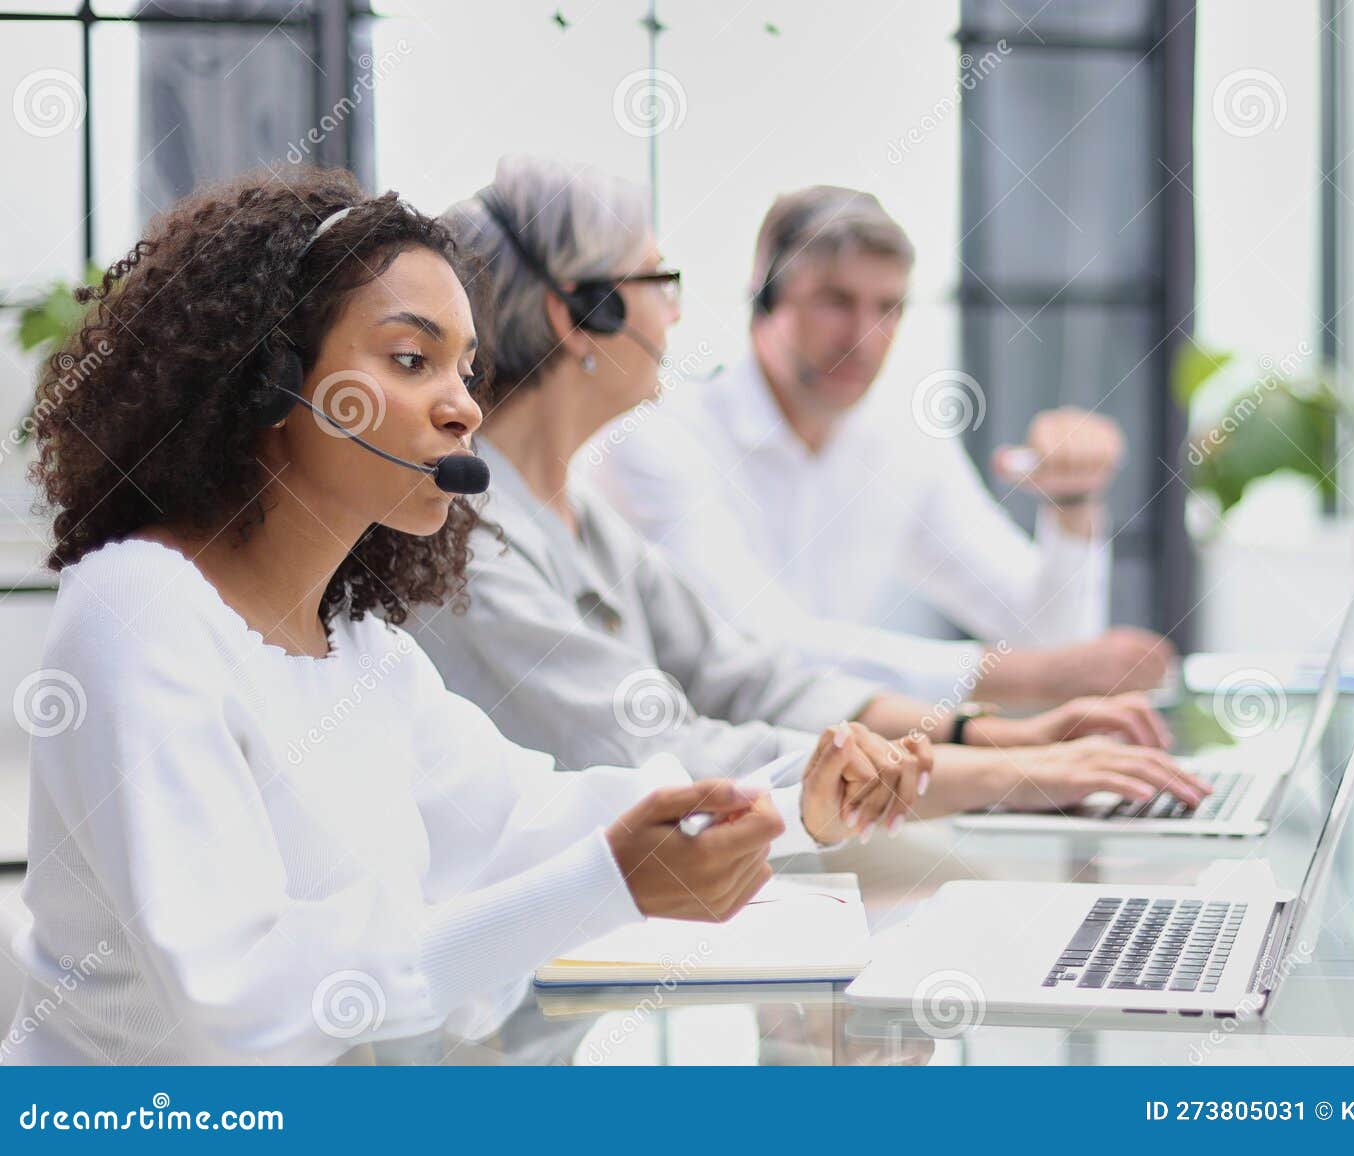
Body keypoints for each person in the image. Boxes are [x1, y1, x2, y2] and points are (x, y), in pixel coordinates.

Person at [2, 169, 892, 1065]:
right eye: (410, 360)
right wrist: (605, 884)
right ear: (269, 376)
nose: (465, 405)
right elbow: (229, 1003)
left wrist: (789, 801)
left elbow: (527, 819)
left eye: (466, 369)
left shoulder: (358, 650)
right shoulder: (140, 613)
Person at [412, 157, 1207, 838]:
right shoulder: (473, 542)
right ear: (585, 312)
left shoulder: (571, 513)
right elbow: (668, 756)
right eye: (661, 281)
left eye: (889, 307)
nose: (679, 312)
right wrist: (1002, 771)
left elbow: (750, 679)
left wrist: (992, 736)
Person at [587, 184, 1176, 707]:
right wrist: (1023, 677)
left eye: (888, 307)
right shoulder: (659, 436)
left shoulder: (900, 447)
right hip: (680, 791)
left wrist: (1073, 502)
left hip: (840, 785)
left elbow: (1049, 639)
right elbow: (757, 646)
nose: (865, 337)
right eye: (835, 301)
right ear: (764, 301)